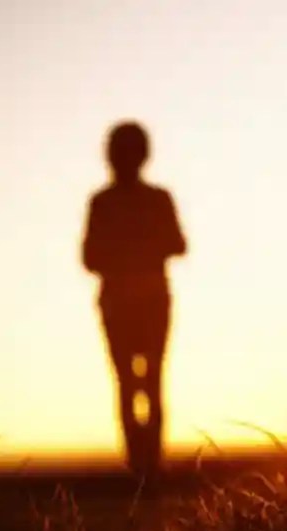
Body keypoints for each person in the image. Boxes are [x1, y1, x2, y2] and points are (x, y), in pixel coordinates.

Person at [81, 121, 186, 478]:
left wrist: (132, 251)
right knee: (130, 382)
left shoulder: (156, 200)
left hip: (150, 301)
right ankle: (139, 463)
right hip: (123, 303)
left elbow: (178, 244)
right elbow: (89, 257)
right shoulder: (103, 202)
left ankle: (150, 462)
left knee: (148, 380)